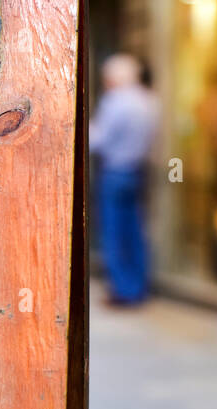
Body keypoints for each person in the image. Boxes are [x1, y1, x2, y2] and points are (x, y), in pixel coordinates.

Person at [89, 53, 160, 306]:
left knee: (113, 233)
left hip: (115, 171)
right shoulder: (149, 101)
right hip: (138, 171)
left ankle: (122, 290)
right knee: (135, 232)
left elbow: (98, 140)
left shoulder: (115, 101)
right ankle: (138, 287)